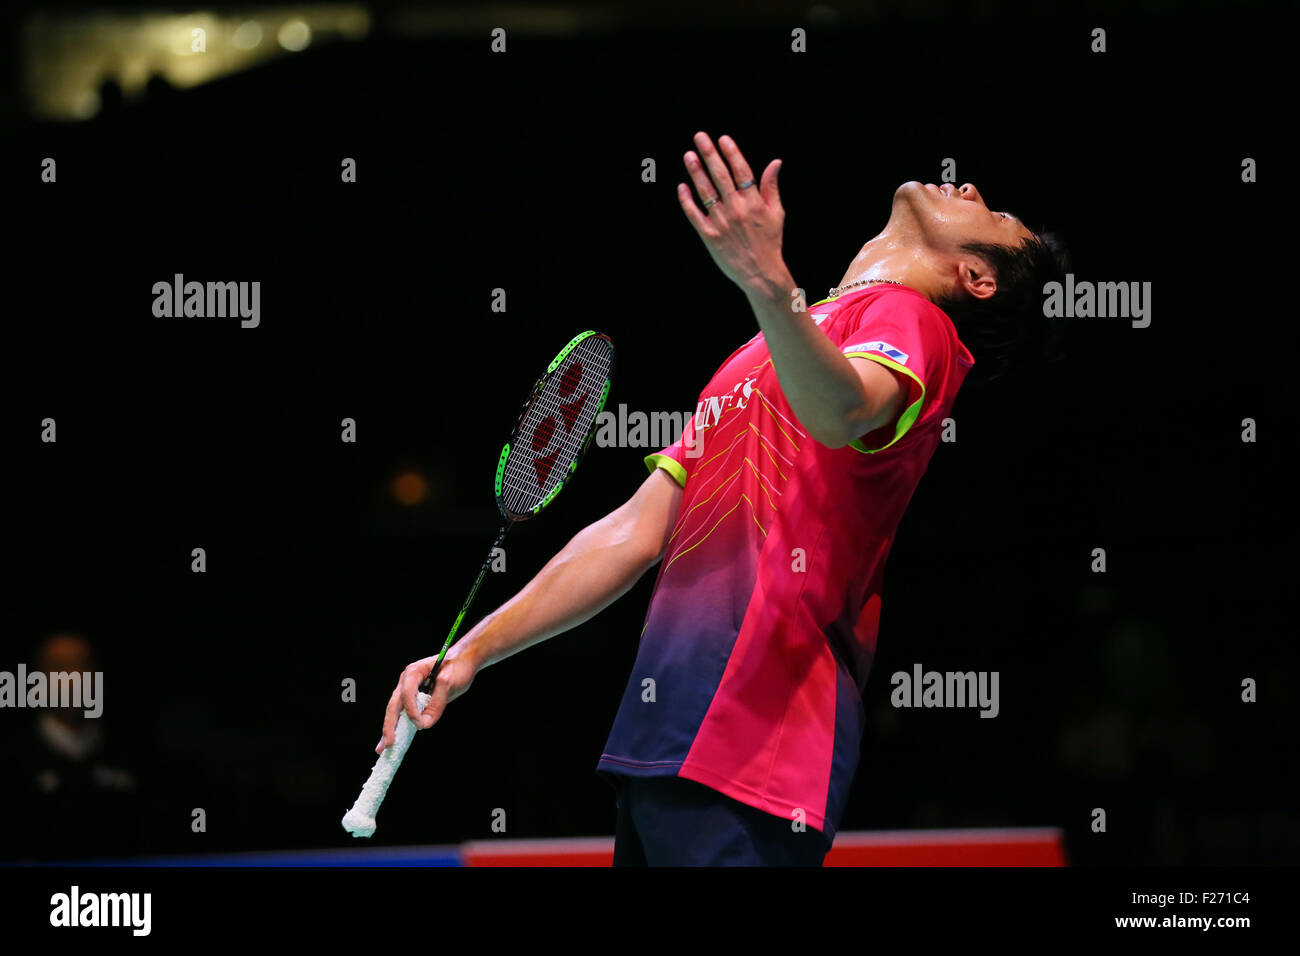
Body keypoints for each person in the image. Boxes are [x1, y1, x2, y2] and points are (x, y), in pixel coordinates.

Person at [378, 132, 1067, 865]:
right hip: (665, 732)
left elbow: (842, 412)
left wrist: (768, 284)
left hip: (759, 738)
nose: (968, 190)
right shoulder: (759, 352)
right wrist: (474, 652)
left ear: (976, 278)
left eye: (992, 215)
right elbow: (634, 533)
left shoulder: (916, 323)